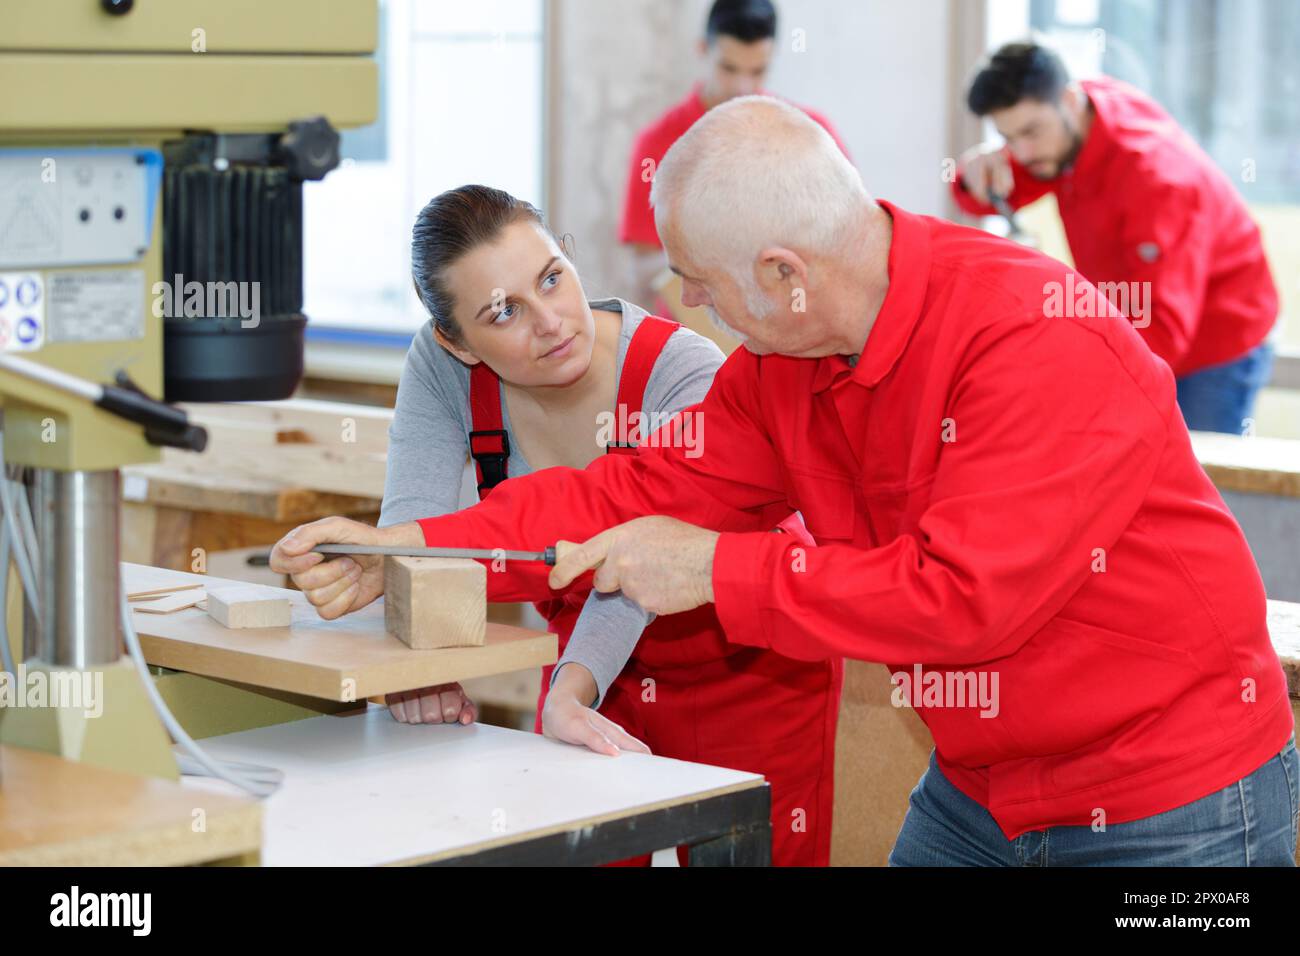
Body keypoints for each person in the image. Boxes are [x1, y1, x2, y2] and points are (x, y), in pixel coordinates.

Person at [273, 98, 1297, 866]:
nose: (684, 302)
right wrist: (404, 549)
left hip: (1175, 804)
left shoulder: (1034, 339)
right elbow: (627, 495)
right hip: (982, 791)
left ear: (783, 276)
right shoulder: (782, 369)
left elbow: (961, 601)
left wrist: (720, 569)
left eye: (701, 281)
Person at [295, 183, 841, 867]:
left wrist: (574, 686)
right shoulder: (441, 371)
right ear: (457, 342)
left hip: (748, 671)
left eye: (552, 279)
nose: (551, 322)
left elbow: (638, 554)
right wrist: (416, 662)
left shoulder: (683, 371)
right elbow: (412, 534)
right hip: (584, 665)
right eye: (504, 312)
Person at [952, 41, 1278, 435]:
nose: (1020, 153)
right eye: (1008, 138)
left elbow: (1162, 332)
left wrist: (1062, 366)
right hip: (1140, 316)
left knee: (1205, 475)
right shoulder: (1066, 131)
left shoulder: (1157, 182)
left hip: (1216, 343)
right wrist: (974, 174)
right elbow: (995, 192)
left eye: (1029, 133)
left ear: (1070, 101)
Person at [620, 0, 849, 311]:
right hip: (697, 337)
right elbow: (642, 269)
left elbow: (848, 239)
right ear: (703, 49)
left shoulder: (812, 134)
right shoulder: (657, 143)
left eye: (758, 70)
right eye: (728, 68)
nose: (742, 87)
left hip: (793, 335)